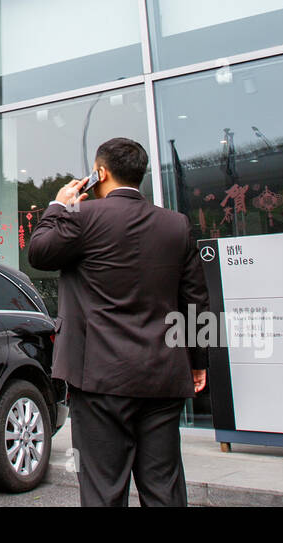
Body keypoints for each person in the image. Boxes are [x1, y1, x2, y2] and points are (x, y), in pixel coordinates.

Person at [28, 136, 210, 507]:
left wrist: (57, 207)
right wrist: (198, 360)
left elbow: (39, 253)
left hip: (99, 378)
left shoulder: (82, 217)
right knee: (164, 487)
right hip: (162, 375)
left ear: (100, 173)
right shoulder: (176, 225)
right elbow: (196, 300)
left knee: (104, 490)